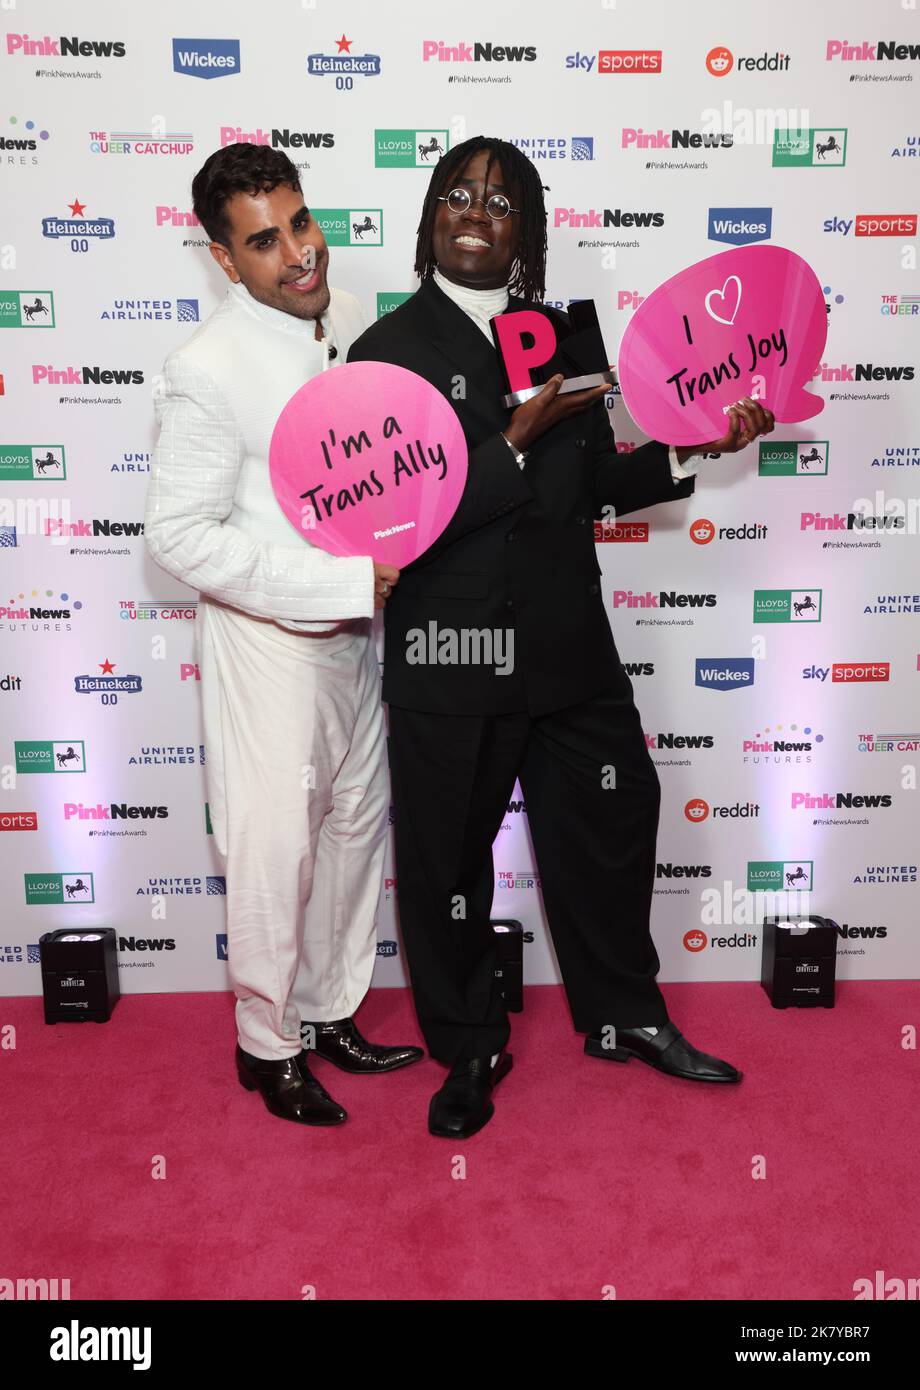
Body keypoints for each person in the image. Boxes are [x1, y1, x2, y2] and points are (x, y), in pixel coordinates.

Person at [348, 136, 775, 1139]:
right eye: (456, 193)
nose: (474, 212)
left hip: (567, 647)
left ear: (525, 233)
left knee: (612, 825)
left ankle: (623, 1013)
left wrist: (692, 445)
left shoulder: (563, 336)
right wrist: (510, 443)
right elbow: (395, 522)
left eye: (500, 203)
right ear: (427, 218)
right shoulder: (386, 354)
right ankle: (466, 1046)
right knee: (449, 865)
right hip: (451, 658)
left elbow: (599, 482)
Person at [145, 143, 422, 1129]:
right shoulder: (204, 368)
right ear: (225, 259)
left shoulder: (350, 319)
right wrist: (336, 578)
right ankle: (267, 1047)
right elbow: (176, 534)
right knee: (272, 853)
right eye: (264, 241)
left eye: (300, 223)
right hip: (268, 643)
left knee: (353, 831)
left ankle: (327, 1010)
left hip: (356, 635)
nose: (299, 253)